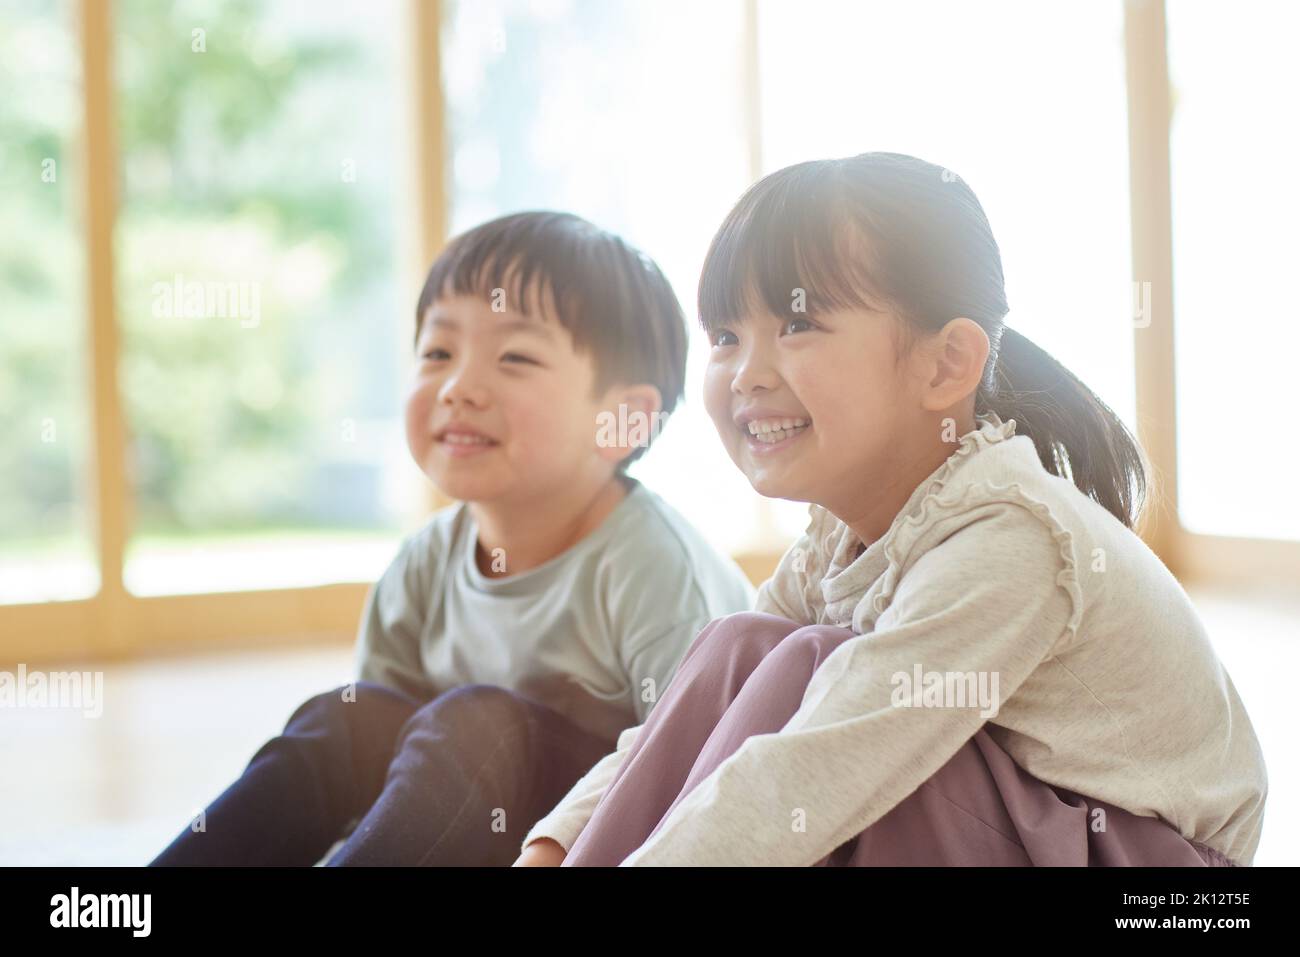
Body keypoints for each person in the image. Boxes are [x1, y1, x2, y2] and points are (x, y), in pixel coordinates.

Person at [515, 153, 1267, 867]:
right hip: (1023, 831)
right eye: (725, 336)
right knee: (743, 648)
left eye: (798, 324)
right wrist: (554, 848)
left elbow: (807, 775)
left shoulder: (1008, 536)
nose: (747, 373)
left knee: (813, 678)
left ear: (945, 365)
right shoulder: (838, 537)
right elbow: (686, 722)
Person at [150, 211, 756, 866]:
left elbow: (696, 769)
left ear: (622, 421)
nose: (458, 387)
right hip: (447, 835)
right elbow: (375, 778)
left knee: (477, 721)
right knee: (346, 721)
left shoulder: (655, 568)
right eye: (438, 353)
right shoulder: (422, 564)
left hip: (591, 837)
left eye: (515, 357)